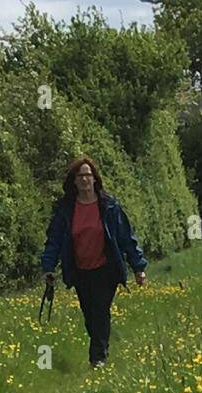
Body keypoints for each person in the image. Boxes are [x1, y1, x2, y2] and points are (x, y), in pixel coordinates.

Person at [40, 156, 147, 367]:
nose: (84, 180)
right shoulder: (66, 211)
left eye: (88, 175)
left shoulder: (109, 206)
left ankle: (98, 358)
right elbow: (54, 240)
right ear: (74, 181)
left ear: (95, 179)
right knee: (89, 314)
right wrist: (48, 267)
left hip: (106, 269)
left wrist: (138, 267)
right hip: (80, 270)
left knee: (100, 310)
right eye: (80, 176)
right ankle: (99, 347)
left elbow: (126, 237)